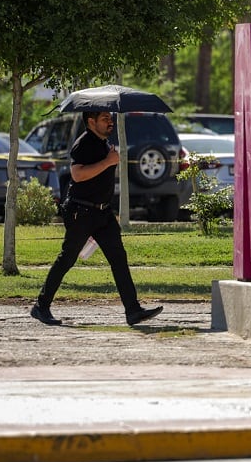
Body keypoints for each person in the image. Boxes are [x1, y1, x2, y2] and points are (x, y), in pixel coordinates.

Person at [30, 110, 163, 326]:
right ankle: (41, 306)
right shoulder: (84, 143)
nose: (110, 122)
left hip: (103, 213)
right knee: (67, 258)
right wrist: (108, 162)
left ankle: (133, 310)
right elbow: (78, 174)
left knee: (118, 258)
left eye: (111, 118)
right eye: (105, 119)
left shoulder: (104, 143)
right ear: (91, 122)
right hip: (80, 212)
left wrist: (109, 159)